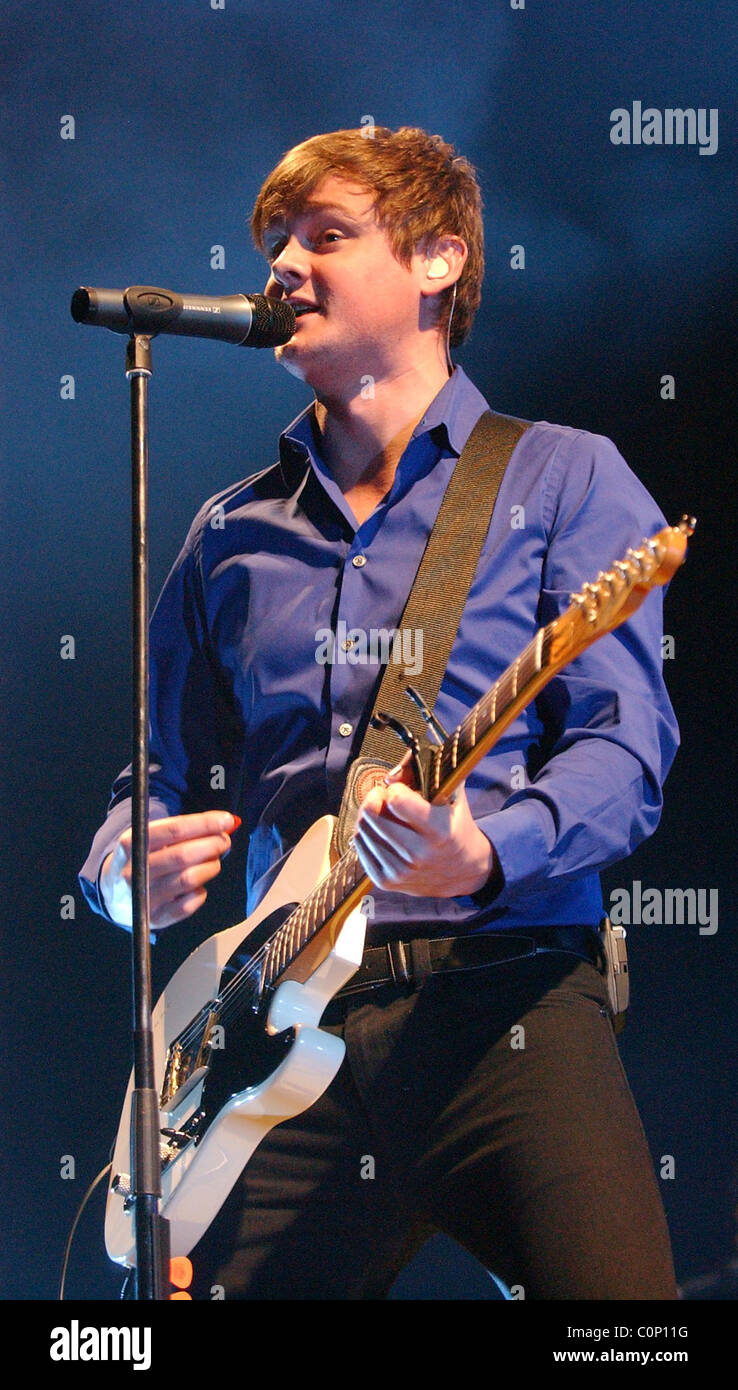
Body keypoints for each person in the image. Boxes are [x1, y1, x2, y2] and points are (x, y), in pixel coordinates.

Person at [80, 126, 680, 1300]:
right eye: (275, 245)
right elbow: (155, 775)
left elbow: (627, 748)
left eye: (326, 235)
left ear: (439, 262)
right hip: (271, 1040)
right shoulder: (223, 536)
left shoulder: (562, 479)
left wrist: (487, 849)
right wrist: (117, 871)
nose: (283, 267)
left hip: (507, 998)